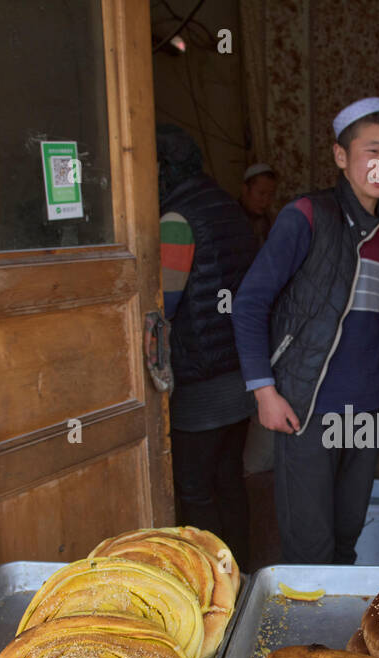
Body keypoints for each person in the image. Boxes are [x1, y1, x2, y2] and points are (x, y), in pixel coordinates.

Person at [232, 97, 379, 564]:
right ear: (341, 156)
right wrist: (264, 391)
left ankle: (334, 638)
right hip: (308, 409)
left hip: (367, 412)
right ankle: (308, 636)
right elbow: (249, 302)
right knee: (311, 549)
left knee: (347, 540)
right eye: (372, 151)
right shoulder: (308, 216)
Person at [151, 124, 258, 561]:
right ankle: (245, 568)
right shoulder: (226, 205)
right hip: (238, 371)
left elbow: (167, 300)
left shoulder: (177, 219)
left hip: (202, 380)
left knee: (195, 488)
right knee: (228, 477)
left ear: (163, 169)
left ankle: (214, 581)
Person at [239, 162, 278, 247]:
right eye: (261, 193)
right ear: (245, 190)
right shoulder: (231, 219)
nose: (266, 201)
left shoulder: (273, 221)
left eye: (271, 195)